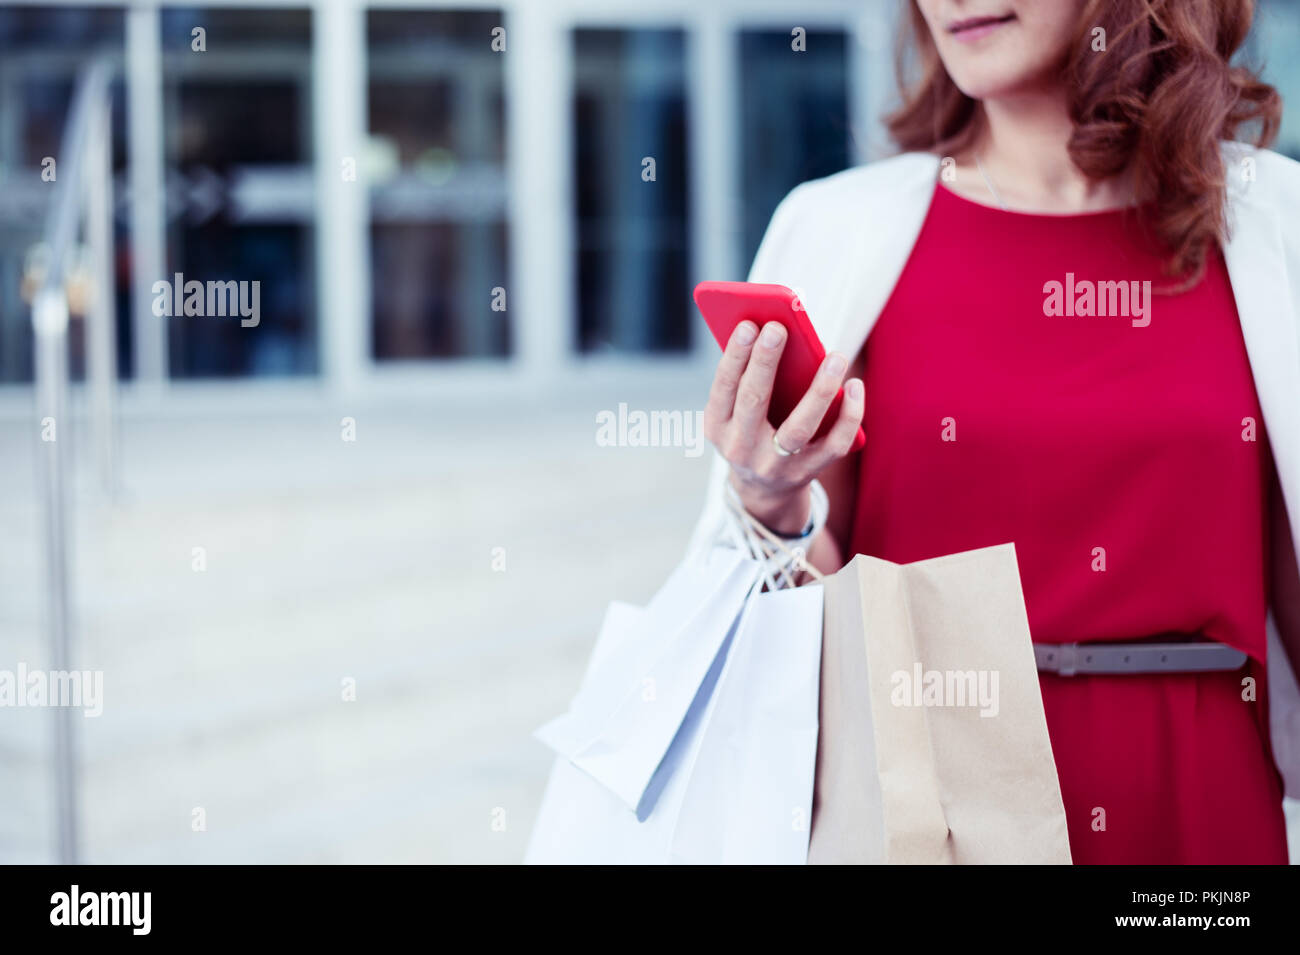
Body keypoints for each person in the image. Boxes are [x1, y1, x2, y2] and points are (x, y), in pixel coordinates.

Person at [691, 0, 1300, 863]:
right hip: (935, 811)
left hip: (1202, 824)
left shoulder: (1274, 228)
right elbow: (801, 636)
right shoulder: (842, 230)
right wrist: (766, 498)